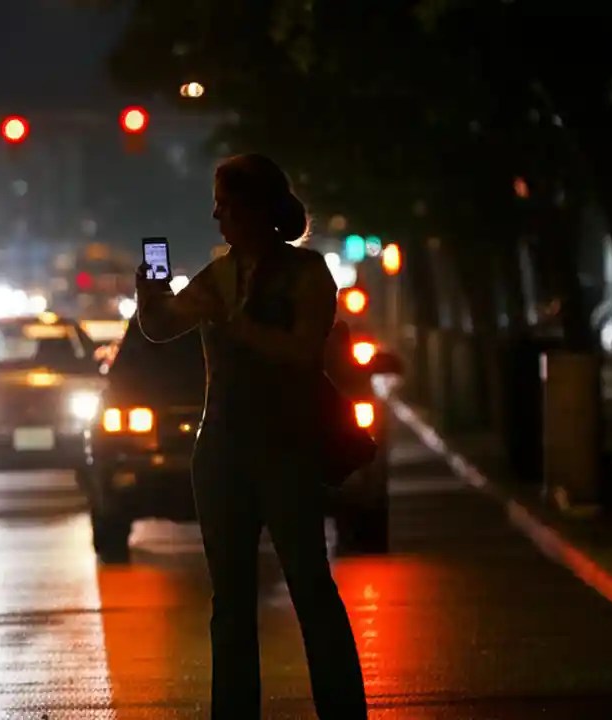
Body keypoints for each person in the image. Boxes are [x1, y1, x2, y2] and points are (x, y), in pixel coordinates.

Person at [136, 153, 367, 719]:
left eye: (226, 203)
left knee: (310, 587)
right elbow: (162, 327)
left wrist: (235, 322)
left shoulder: (307, 273)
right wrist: (150, 292)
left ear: (258, 208)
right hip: (220, 452)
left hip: (285, 447)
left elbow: (301, 350)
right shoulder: (218, 274)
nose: (217, 215)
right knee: (230, 604)